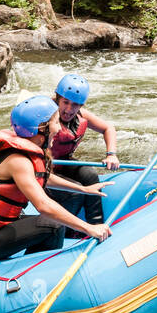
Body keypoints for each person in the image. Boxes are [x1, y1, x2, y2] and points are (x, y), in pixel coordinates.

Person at [0, 95, 109, 263]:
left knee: (51, 223)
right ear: (41, 128)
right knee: (54, 226)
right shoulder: (18, 161)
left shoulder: (22, 153)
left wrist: (83, 189)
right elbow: (43, 205)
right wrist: (89, 228)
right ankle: (35, 277)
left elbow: (42, 177)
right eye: (55, 122)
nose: (58, 129)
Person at [46, 73, 119, 226]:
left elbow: (108, 128)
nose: (69, 109)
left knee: (91, 175)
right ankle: (66, 229)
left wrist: (111, 154)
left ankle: (97, 224)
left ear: (81, 106)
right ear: (57, 99)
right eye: (65, 102)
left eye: (75, 105)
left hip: (63, 162)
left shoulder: (81, 115)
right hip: (43, 168)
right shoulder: (44, 115)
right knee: (75, 192)